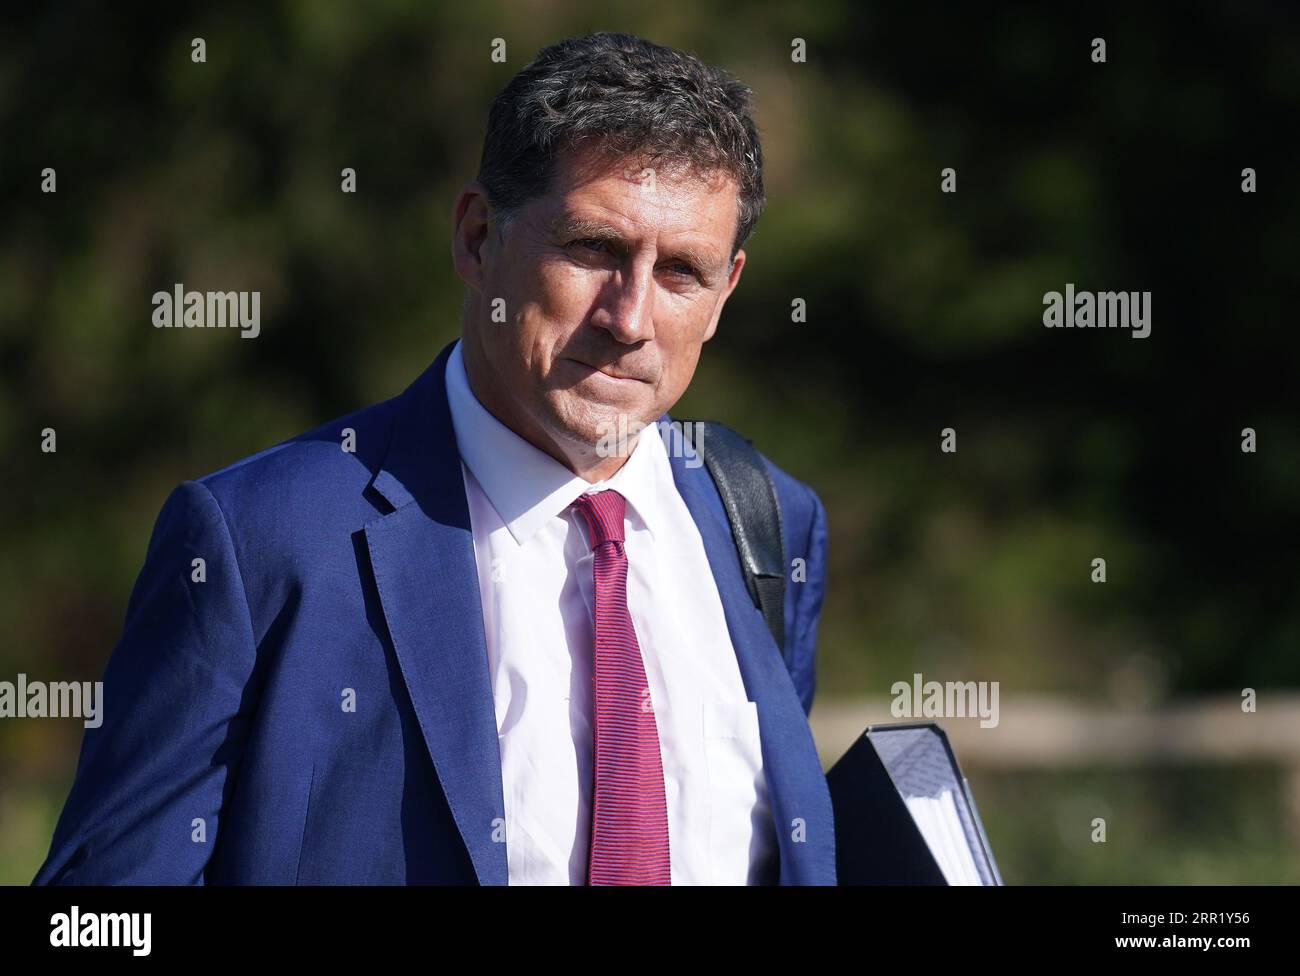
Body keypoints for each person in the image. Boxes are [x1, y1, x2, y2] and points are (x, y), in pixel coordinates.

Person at [33, 31, 835, 886]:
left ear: (727, 295)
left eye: (681, 272)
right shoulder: (260, 540)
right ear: (478, 237)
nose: (630, 319)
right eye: (594, 249)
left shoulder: (767, 521)